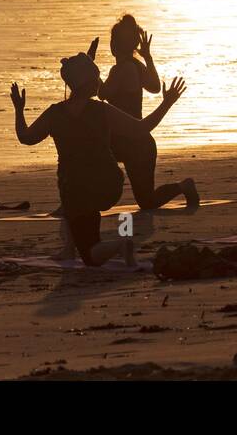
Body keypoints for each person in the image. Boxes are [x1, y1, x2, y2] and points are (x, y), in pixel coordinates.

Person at [11, 52, 185, 266]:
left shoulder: (55, 114)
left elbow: (26, 137)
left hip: (78, 189)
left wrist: (19, 110)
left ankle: (119, 245)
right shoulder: (102, 111)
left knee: (90, 255)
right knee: (74, 204)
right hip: (109, 184)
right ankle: (69, 247)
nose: (99, 83)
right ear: (90, 83)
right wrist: (166, 103)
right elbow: (141, 129)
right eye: (96, 78)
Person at [94, 15, 198, 209]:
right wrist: (148, 57)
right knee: (147, 201)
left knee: (91, 150)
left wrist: (92, 70)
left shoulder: (119, 71)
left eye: (113, 41)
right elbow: (156, 87)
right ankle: (183, 186)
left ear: (115, 45)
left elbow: (101, 94)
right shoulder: (137, 66)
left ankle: (84, 195)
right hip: (141, 142)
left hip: (125, 142)